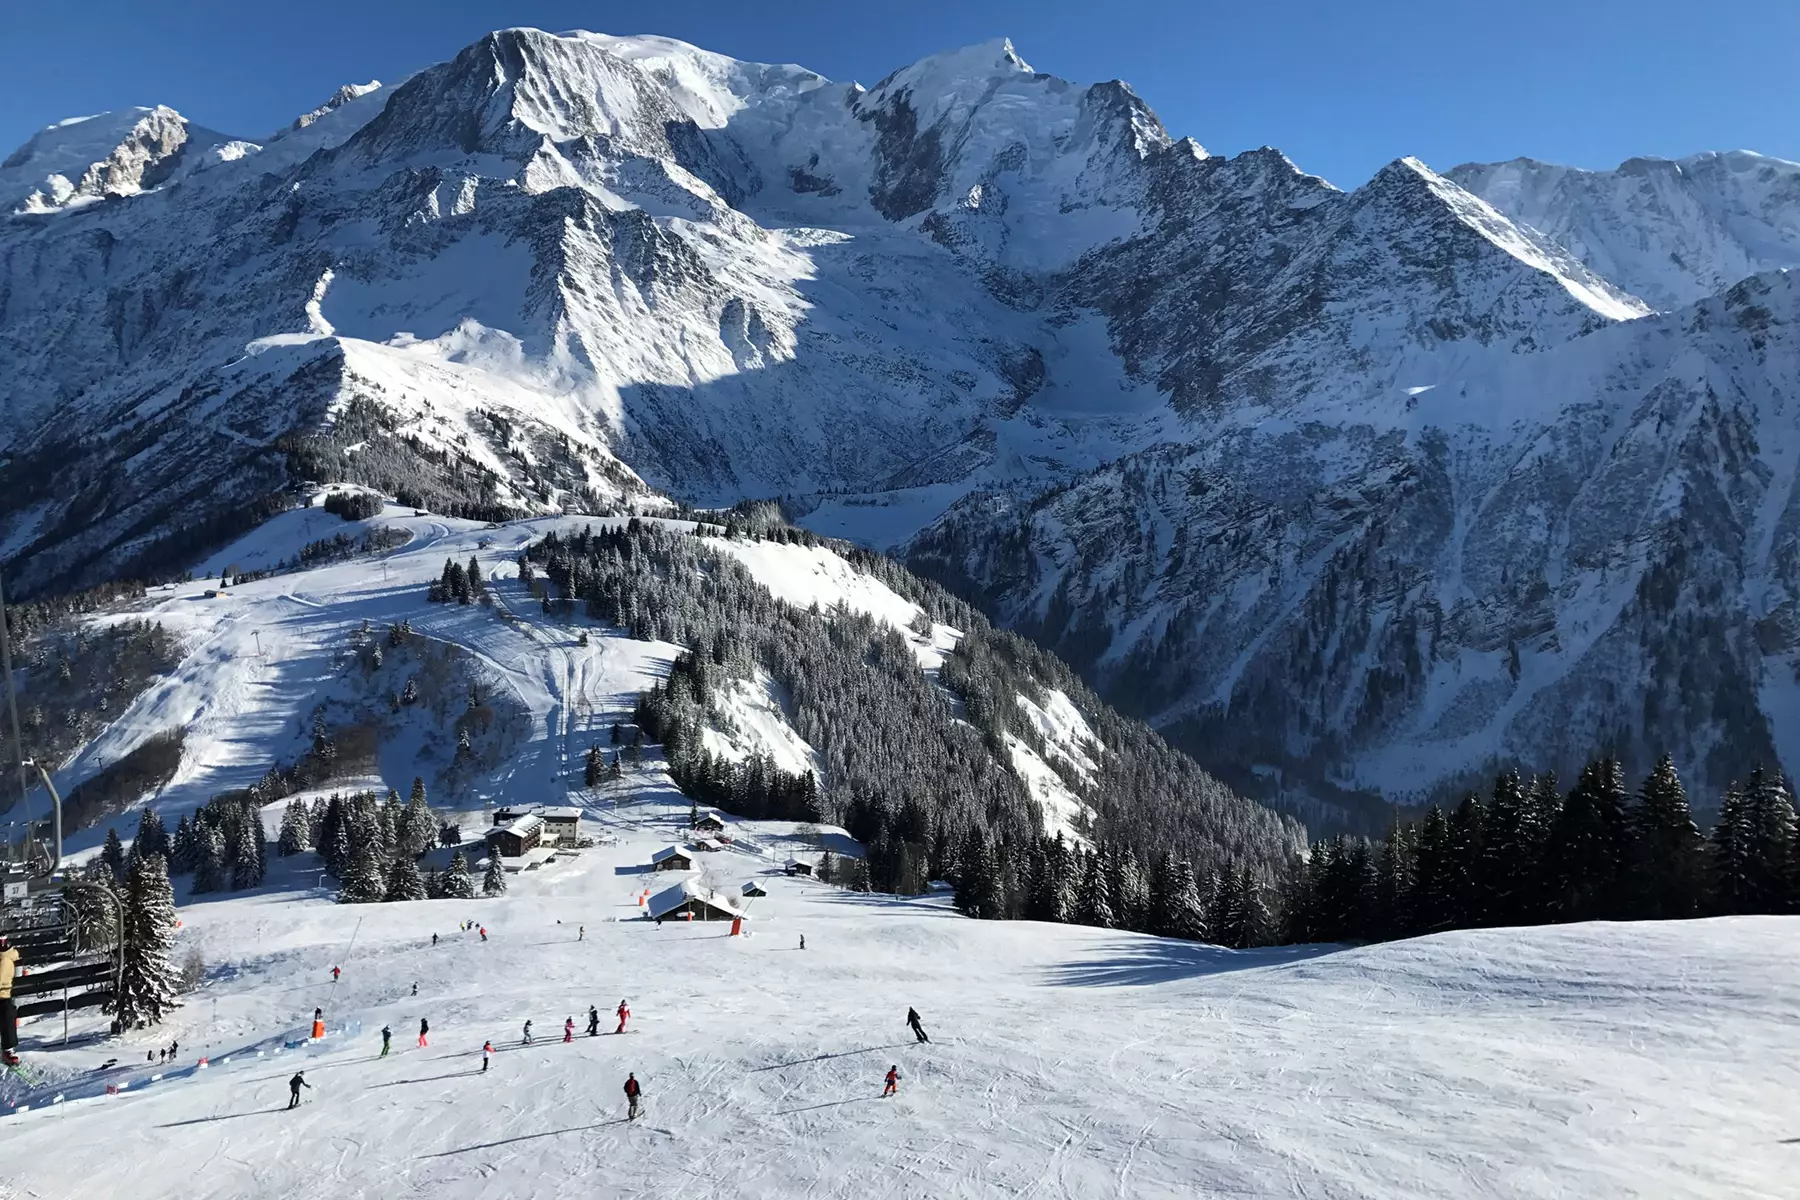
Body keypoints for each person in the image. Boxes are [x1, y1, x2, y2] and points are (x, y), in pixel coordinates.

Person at [0, 934, 17, 1066]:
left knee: (7, 1012)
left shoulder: (5, 959)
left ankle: (8, 1049)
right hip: (4, 996)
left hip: (3, 995)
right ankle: (8, 1049)